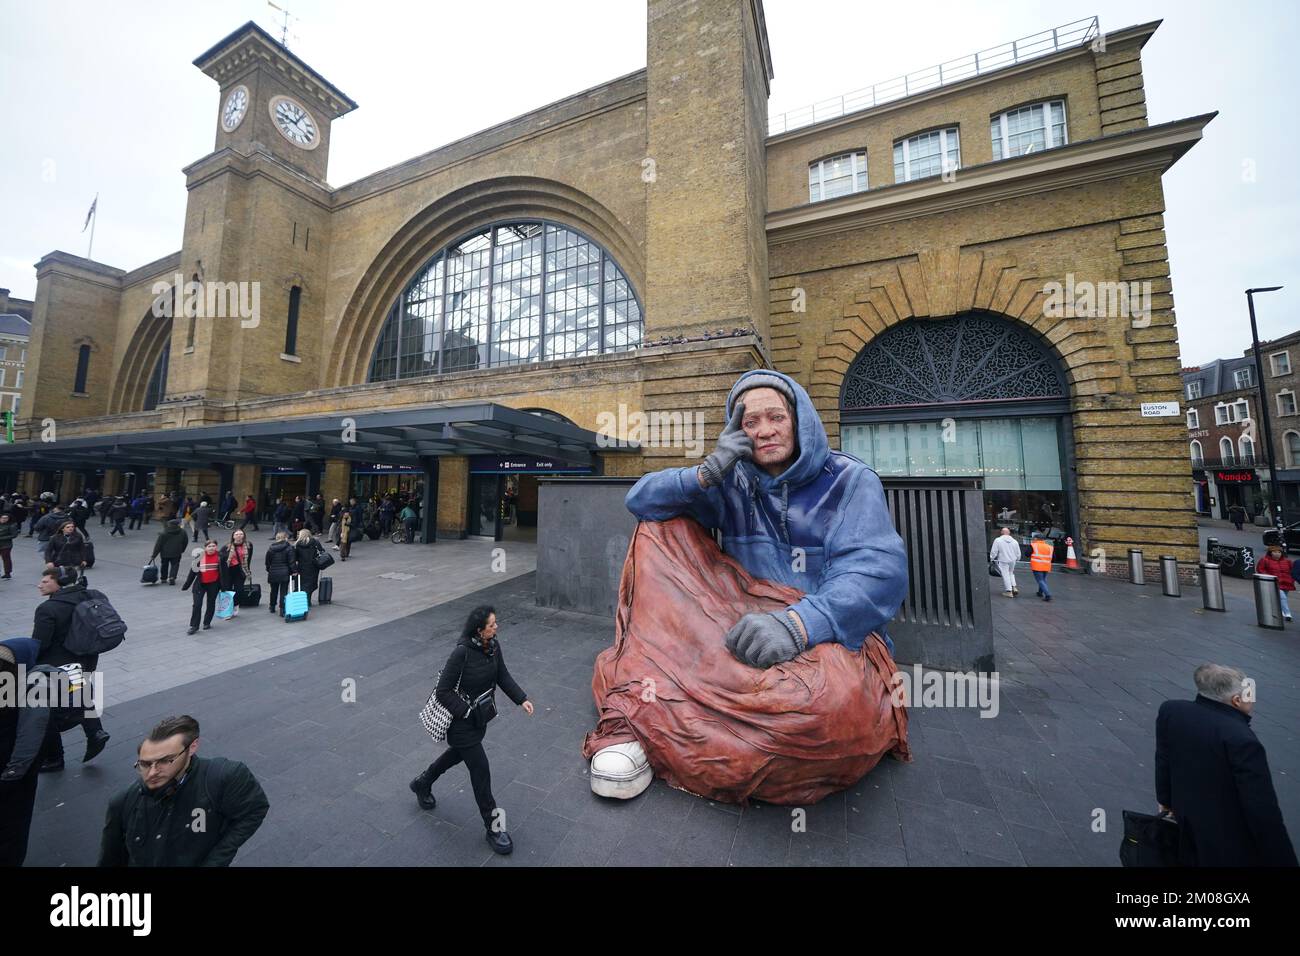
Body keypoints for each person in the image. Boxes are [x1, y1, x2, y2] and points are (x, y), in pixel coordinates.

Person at [583, 369, 910, 804]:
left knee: (833, 707)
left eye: (775, 417)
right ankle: (648, 718)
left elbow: (877, 572)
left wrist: (799, 624)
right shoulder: (734, 478)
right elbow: (640, 500)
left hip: (825, 630)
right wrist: (705, 474)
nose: (764, 431)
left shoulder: (849, 480)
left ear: (800, 419)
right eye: (750, 423)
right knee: (658, 527)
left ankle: (664, 723)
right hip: (740, 615)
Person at [409, 606, 533, 855]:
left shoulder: (493, 646)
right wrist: (465, 711)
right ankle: (493, 828)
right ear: (479, 629)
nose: (496, 627)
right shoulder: (462, 653)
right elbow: (443, 691)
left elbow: (503, 676)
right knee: (480, 770)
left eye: (495, 623)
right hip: (460, 723)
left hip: (478, 720)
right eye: (492, 624)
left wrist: (521, 699)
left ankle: (423, 782)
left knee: (456, 755)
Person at [1155, 664, 1297, 866]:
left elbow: (1163, 760)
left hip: (1185, 821)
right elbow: (1262, 808)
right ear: (1237, 700)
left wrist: (1166, 800)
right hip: (1225, 840)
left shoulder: (1172, 711)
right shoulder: (1242, 740)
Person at [98, 714, 270, 867]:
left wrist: (218, 858)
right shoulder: (123, 802)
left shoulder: (225, 777)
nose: (152, 773)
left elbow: (254, 810)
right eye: (145, 764)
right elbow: (110, 859)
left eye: (166, 761)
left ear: (192, 747)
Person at [32, 566, 112, 771]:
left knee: (44, 711)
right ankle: (95, 731)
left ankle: (55, 758)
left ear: (58, 583)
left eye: (45, 581)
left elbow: (40, 643)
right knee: (81, 694)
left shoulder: (47, 609)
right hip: (87, 658)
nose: (39, 584)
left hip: (58, 665)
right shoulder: (88, 595)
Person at [0, 638, 51, 866]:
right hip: (14, 771)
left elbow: (29, 740)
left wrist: (11, 775)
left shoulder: (32, 692)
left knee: (13, 824)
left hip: (14, 773)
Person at [182, 541, 224, 634]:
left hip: (214, 584)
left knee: (211, 603)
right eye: (209, 546)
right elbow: (192, 572)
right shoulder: (199, 557)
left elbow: (225, 572)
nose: (212, 548)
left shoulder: (220, 557)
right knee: (197, 605)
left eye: (214, 546)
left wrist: (225, 586)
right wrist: (187, 585)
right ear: (205, 548)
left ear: (216, 547)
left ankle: (207, 622)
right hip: (200, 585)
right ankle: (194, 626)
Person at [1256, 543, 1294, 622]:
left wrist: (1291, 579)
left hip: (1287, 582)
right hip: (1274, 582)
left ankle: (1280, 611)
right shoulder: (1265, 560)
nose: (1277, 554)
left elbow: (1292, 571)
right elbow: (1260, 570)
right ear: (1270, 553)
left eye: (1279, 552)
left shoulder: (1287, 561)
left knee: (1283, 598)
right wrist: (1270, 578)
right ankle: (1287, 613)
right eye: (1275, 552)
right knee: (1282, 597)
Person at [219, 529, 254, 611]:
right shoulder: (226, 547)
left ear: (244, 536)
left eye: (241, 534)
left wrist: (247, 570)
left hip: (241, 570)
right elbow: (221, 559)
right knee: (228, 589)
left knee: (239, 590)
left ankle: (235, 604)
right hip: (229, 571)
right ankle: (228, 608)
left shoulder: (249, 545)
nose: (239, 536)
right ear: (233, 536)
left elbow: (249, 559)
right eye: (237, 534)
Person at [149, 518, 189, 586]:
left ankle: (163, 578)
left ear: (169, 524)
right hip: (177, 552)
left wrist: (154, 555)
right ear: (178, 524)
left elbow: (158, 545)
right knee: (175, 565)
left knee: (164, 565)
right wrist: (182, 549)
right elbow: (185, 542)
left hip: (165, 553)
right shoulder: (183, 532)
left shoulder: (164, 532)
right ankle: (172, 577)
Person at [264, 531, 296, 615]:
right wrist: (294, 571)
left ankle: (272, 606)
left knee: (273, 590)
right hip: (285, 572)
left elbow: (267, 562)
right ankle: (282, 609)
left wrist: (269, 569)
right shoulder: (289, 548)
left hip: (273, 572)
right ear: (286, 538)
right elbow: (291, 562)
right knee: (283, 591)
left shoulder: (271, 548)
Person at [292, 529, 324, 606]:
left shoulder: (297, 545)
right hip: (314, 567)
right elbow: (321, 551)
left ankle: (301, 601)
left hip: (302, 567)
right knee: (311, 584)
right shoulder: (315, 542)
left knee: (301, 584)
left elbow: (294, 557)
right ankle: (308, 601)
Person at [989, 526, 1021, 598]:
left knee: (1005, 575)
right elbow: (1018, 553)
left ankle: (1009, 591)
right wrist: (1018, 558)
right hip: (1013, 560)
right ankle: (1014, 587)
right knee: (1011, 573)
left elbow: (994, 551)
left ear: (1001, 533)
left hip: (1003, 560)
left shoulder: (998, 540)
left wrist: (991, 558)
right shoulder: (1015, 541)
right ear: (1009, 533)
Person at [1029, 531, 1053, 601]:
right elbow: (1053, 557)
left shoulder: (1033, 545)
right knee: (1043, 579)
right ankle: (1040, 592)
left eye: (1034, 538)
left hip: (1037, 565)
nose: (1033, 539)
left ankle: (1048, 595)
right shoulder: (1050, 547)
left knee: (1040, 580)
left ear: (1036, 539)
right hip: (1046, 565)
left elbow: (1027, 553)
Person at [0, 510, 17, 579]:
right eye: (2, 518)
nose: (4, 519)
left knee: (6, 559)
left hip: (6, 545)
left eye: (6, 518)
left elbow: (14, 535)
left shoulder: (12, 525)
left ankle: (7, 573)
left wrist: (1, 538)